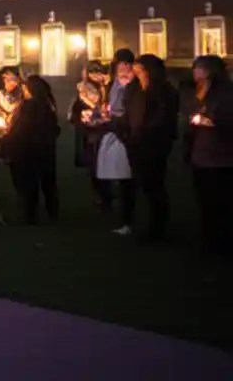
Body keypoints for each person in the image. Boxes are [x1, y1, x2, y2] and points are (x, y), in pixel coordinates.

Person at [126, 53, 178, 242]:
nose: (136, 72)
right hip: (137, 142)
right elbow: (131, 111)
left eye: (140, 69)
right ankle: (146, 225)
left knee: (154, 185)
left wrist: (146, 132)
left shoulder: (164, 91)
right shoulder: (136, 89)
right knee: (144, 185)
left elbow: (163, 119)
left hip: (154, 144)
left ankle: (158, 228)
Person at [185, 55, 233, 254]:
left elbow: (225, 121)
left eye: (197, 68)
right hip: (202, 154)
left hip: (219, 157)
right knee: (205, 201)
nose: (194, 72)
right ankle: (209, 239)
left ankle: (219, 242)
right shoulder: (201, 91)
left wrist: (206, 121)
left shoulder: (224, 93)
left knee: (219, 201)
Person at [1, 75, 61, 224]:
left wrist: (6, 138)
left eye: (25, 88)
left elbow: (20, 129)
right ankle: (52, 212)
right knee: (48, 183)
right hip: (46, 149)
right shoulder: (48, 104)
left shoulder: (28, 106)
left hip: (27, 150)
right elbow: (55, 128)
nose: (23, 91)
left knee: (28, 184)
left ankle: (30, 215)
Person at [99, 50, 138, 235]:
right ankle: (122, 215)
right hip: (114, 130)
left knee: (129, 178)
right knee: (120, 176)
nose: (123, 69)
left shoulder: (134, 85)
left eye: (127, 65)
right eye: (120, 65)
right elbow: (110, 105)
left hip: (126, 133)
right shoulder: (113, 84)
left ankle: (130, 220)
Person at [69, 63, 112, 212]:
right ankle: (101, 193)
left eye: (99, 72)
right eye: (93, 72)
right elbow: (76, 111)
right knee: (95, 163)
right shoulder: (83, 89)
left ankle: (106, 193)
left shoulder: (109, 86)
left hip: (107, 129)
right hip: (91, 131)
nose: (96, 76)